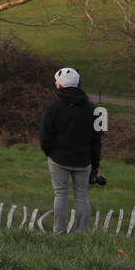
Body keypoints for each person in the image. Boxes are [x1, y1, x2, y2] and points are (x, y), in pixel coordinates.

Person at [40, 67, 103, 234]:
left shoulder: (52, 107)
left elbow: (44, 136)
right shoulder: (94, 109)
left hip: (58, 158)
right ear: (79, 84)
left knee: (60, 194)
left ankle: (59, 232)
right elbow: (97, 141)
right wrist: (95, 164)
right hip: (83, 160)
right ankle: (82, 233)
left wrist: (49, 153)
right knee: (81, 196)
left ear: (59, 86)